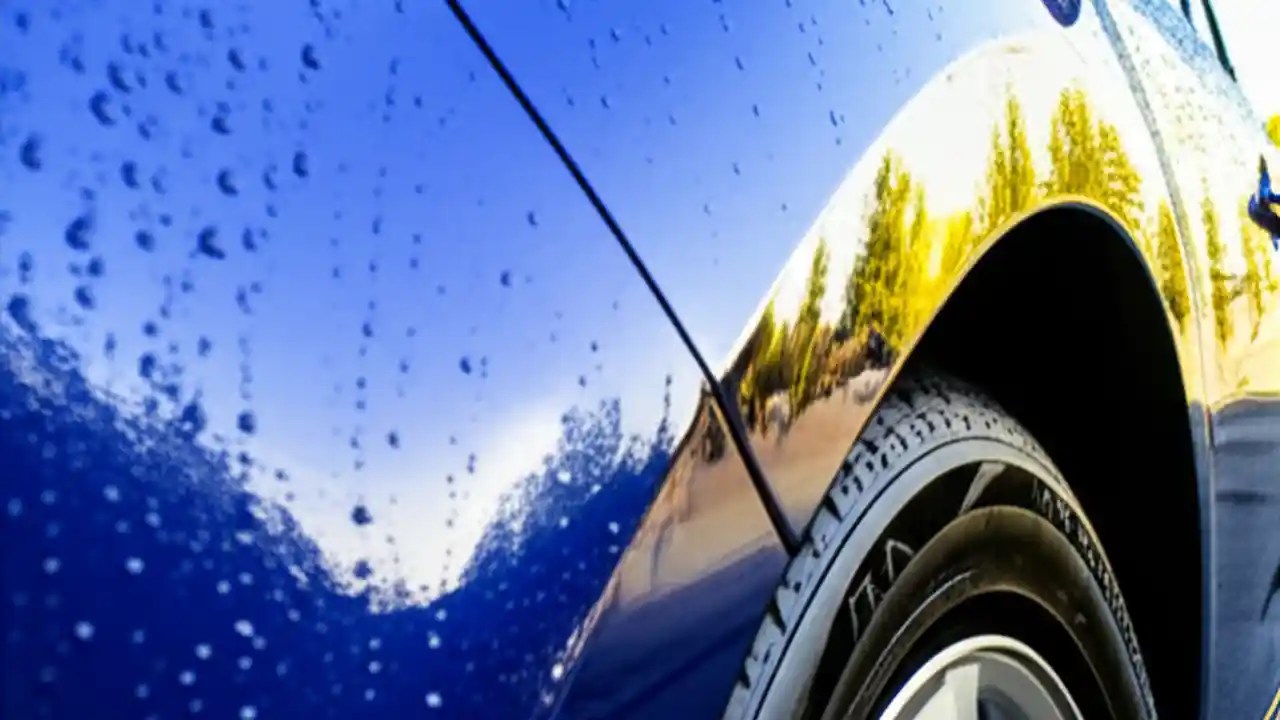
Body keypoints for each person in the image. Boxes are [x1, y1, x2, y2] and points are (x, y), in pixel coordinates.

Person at [1248, 156, 1280, 250]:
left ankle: (1262, 162)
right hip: (1259, 208)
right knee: (1268, 195)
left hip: (1257, 209)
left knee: (1266, 191)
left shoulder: (1276, 229)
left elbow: (1274, 233)